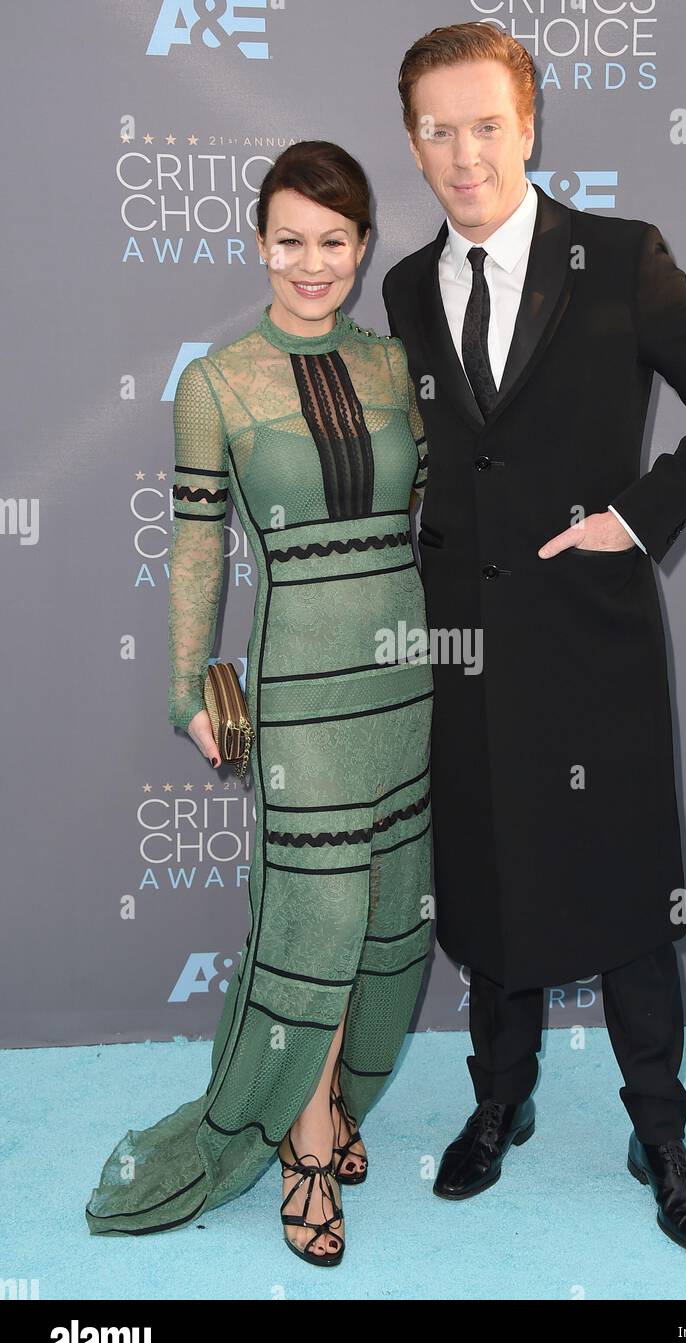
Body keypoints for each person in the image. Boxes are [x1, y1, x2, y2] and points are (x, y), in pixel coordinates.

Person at [382, 23, 686, 1256]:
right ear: (412, 139)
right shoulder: (402, 287)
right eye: (436, 129)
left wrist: (636, 518)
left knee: (621, 898)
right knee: (491, 882)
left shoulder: (616, 257)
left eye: (485, 124)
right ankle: (497, 1103)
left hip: (591, 641)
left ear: (531, 122)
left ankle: (657, 1131)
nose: (463, 154)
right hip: (465, 646)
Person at [86, 141, 433, 1266]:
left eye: (335, 240)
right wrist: (187, 686)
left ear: (364, 244)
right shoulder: (216, 382)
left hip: (403, 683)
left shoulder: (394, 365)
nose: (313, 262)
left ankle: (338, 1100)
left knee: (389, 922)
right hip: (300, 698)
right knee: (314, 928)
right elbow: (198, 551)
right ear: (258, 243)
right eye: (291, 240)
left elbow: (436, 519)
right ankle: (305, 1138)